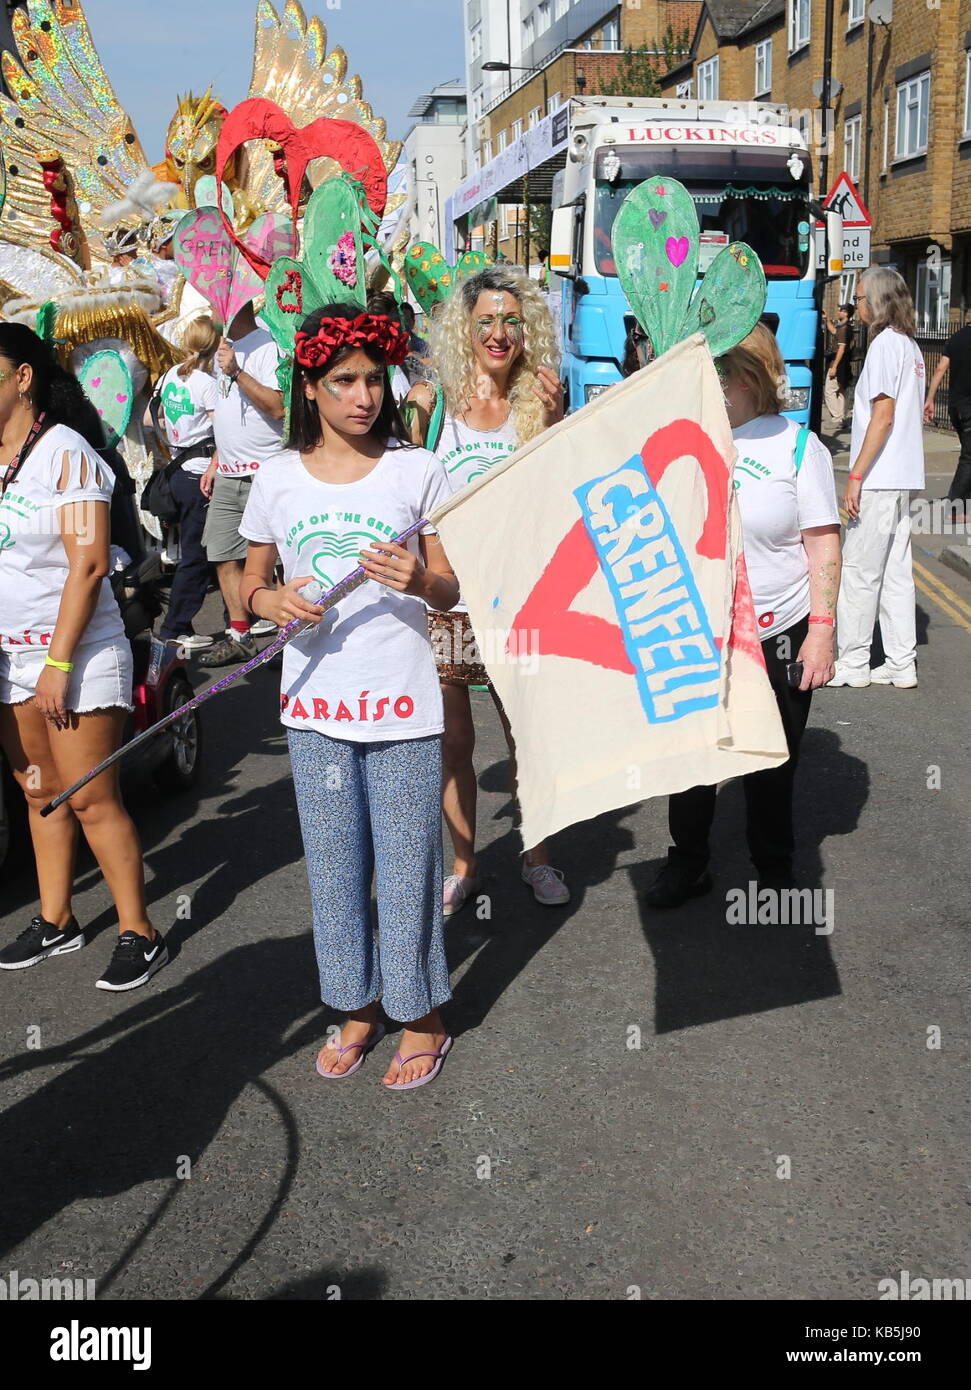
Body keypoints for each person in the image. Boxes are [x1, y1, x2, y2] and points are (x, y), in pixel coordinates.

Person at [238, 303, 459, 1089]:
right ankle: (356, 1005)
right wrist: (269, 605)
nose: (362, 396)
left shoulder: (416, 469)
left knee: (406, 869)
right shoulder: (275, 476)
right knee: (334, 871)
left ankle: (421, 1012)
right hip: (314, 710)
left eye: (373, 379)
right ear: (311, 385)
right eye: (343, 381)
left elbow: (450, 587)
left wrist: (421, 580)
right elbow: (245, 579)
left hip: (401, 707)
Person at [646, 324, 841, 906]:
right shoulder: (686, 436)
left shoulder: (800, 448)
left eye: (720, 371)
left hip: (780, 628)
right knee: (694, 754)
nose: (708, 382)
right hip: (698, 626)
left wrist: (823, 633)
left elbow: (824, 543)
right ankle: (688, 861)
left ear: (752, 377)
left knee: (771, 756)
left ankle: (774, 864)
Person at [0, 323, 166, 990]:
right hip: (11, 658)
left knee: (92, 797)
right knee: (41, 794)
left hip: (76, 655)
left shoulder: (65, 453)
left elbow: (90, 562)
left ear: (22, 379)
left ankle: (139, 930)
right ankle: (56, 919)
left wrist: (59, 663)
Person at [404, 265, 569, 916]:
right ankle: (465, 863)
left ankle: (538, 857)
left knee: (525, 737)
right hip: (446, 600)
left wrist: (555, 427)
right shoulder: (433, 400)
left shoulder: (540, 401)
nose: (498, 334)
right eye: (484, 322)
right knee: (454, 742)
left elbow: (560, 498)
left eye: (510, 320)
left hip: (519, 601)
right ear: (463, 329)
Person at [829, 268, 925, 690]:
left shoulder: (886, 345)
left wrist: (855, 475)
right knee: (895, 571)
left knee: (859, 571)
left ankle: (852, 662)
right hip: (903, 473)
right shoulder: (911, 347)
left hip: (881, 475)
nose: (857, 306)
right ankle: (901, 662)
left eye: (863, 298)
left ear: (881, 302)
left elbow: (882, 418)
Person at [198, 300, 284, 667]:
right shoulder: (222, 349)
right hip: (229, 473)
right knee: (221, 554)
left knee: (275, 563)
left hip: (264, 473)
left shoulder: (268, 344)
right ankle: (239, 633)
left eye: (219, 303)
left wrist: (236, 372)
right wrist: (216, 461)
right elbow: (229, 414)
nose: (213, 310)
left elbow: (278, 406)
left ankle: (289, 634)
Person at [148, 316, 219, 650]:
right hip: (200, 473)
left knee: (190, 551)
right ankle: (175, 626)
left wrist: (174, 436)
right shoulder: (206, 383)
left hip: (177, 468)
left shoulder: (170, 375)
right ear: (215, 344)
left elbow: (151, 418)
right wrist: (215, 463)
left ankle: (183, 622)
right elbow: (224, 431)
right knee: (196, 554)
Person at [923, 311, 971, 517]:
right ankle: (955, 508)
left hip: (956, 407)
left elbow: (940, 368)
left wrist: (930, 399)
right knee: (969, 457)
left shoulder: (956, 337)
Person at [824, 304, 853, 430]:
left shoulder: (844, 329)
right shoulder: (844, 328)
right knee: (841, 392)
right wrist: (826, 319)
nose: (838, 311)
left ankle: (836, 418)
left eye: (841, 310)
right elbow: (833, 331)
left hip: (838, 364)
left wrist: (834, 366)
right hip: (844, 364)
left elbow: (841, 349)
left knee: (829, 390)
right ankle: (842, 419)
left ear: (846, 313)